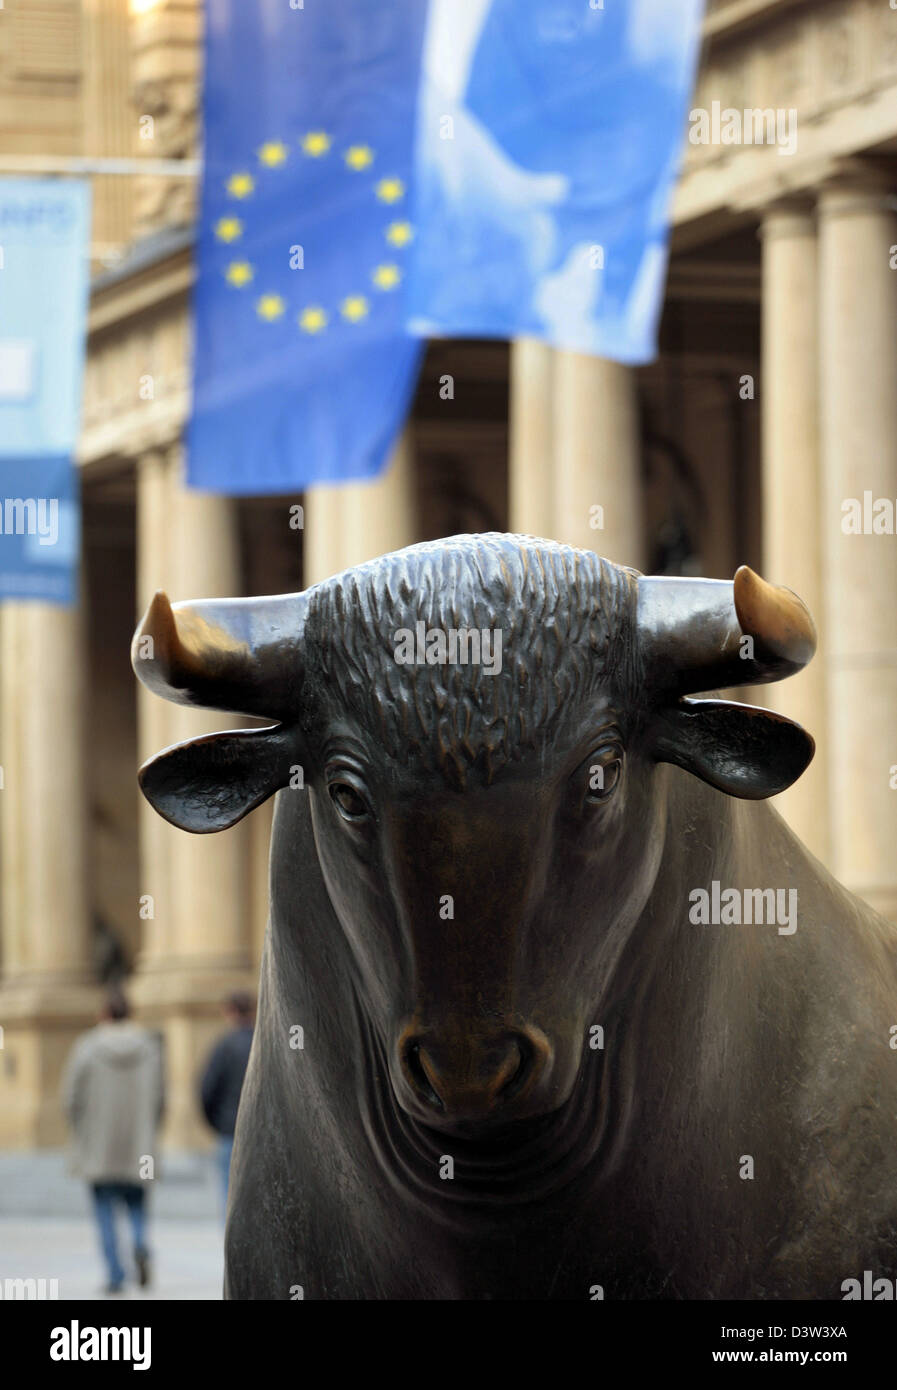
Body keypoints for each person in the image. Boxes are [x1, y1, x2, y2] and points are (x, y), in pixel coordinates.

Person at [62, 987, 164, 1295]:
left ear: (104, 1013)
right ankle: (140, 1244)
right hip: (140, 1146)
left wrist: (80, 1131)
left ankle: (116, 1274)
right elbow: (161, 1097)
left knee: (104, 1209)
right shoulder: (150, 1046)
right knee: (137, 1203)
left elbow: (70, 1097)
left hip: (98, 1145)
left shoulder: (87, 1046)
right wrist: (150, 1128)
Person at [199, 991, 254, 1206]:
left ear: (229, 1012)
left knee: (229, 1196)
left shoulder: (224, 1046)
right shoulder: (265, 1042)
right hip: (261, 1132)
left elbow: (207, 1089)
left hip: (229, 1131)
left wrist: (217, 1123)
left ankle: (232, 1239)